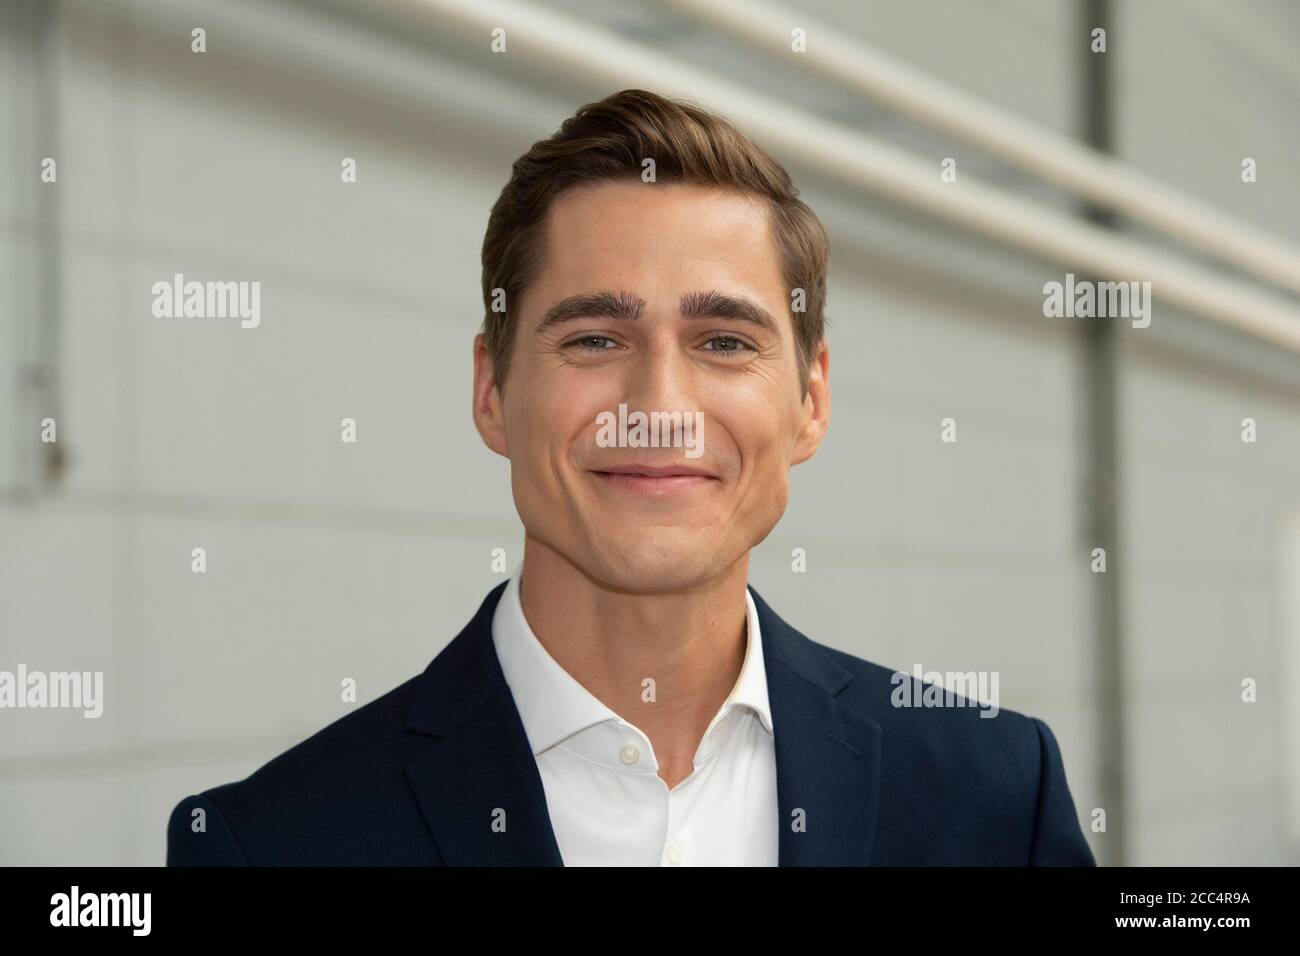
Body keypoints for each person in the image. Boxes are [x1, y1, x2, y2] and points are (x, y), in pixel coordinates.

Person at [167, 88, 1095, 866]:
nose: (658, 404)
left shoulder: (997, 799)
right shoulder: (268, 846)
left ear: (810, 403)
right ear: (493, 390)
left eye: (724, 341)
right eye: (595, 338)